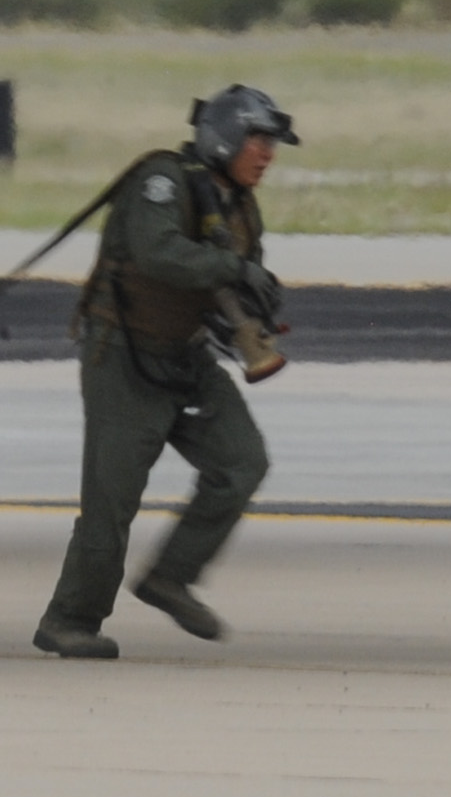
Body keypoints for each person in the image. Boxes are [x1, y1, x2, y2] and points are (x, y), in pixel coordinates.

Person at [35, 84, 295, 660]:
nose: (267, 154)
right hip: (124, 357)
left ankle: (170, 577)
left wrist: (252, 310)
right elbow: (158, 253)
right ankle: (71, 618)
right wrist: (234, 269)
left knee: (242, 462)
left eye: (272, 144)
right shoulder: (163, 182)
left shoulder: (240, 206)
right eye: (258, 139)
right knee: (113, 498)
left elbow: (227, 277)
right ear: (226, 136)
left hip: (186, 356)